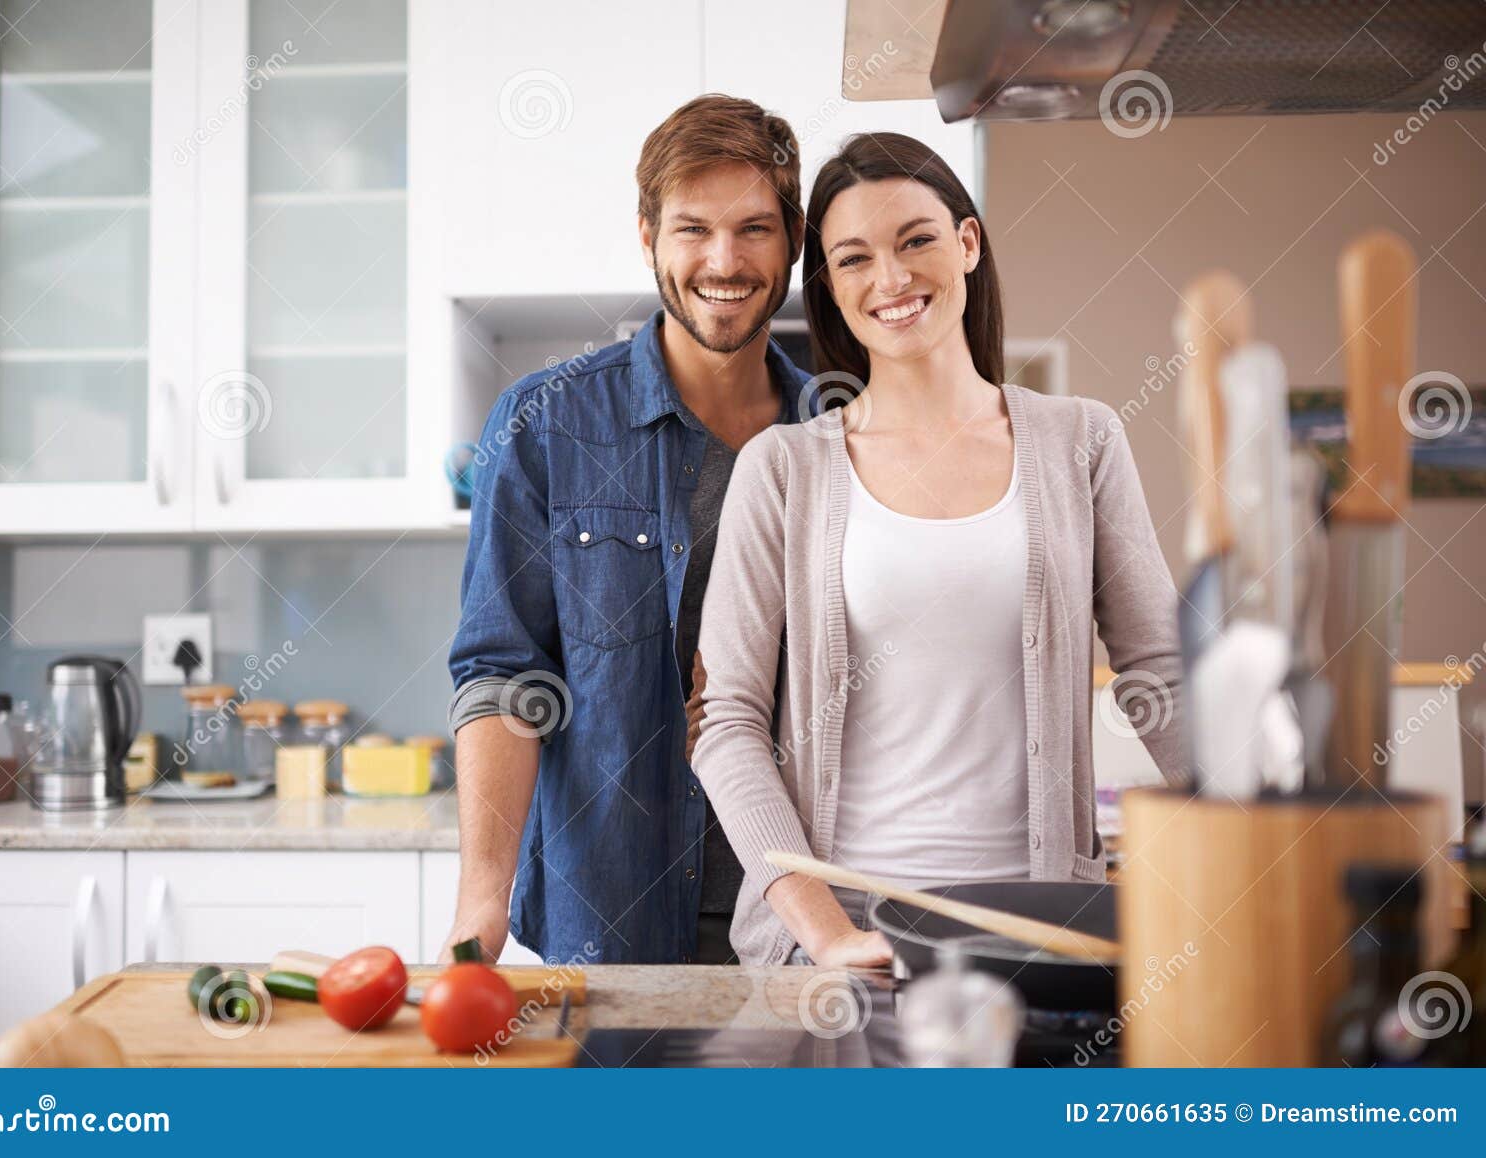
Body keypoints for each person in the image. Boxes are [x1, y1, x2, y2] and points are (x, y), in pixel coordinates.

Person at [691, 132, 1188, 968]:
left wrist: (1264, 846)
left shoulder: (1082, 441)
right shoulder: (783, 469)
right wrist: (827, 934)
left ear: (967, 242)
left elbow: (1161, 673)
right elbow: (724, 723)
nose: (890, 279)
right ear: (833, 289)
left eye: (915, 239)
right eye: (853, 259)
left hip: (1042, 931)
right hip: (842, 940)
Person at [444, 95, 813, 964]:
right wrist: (479, 904)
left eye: (755, 228)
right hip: (606, 919)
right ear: (647, 234)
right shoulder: (543, 424)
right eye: (693, 228)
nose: (724, 261)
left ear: (793, 240)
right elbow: (502, 674)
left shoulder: (839, 433)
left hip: (801, 924)